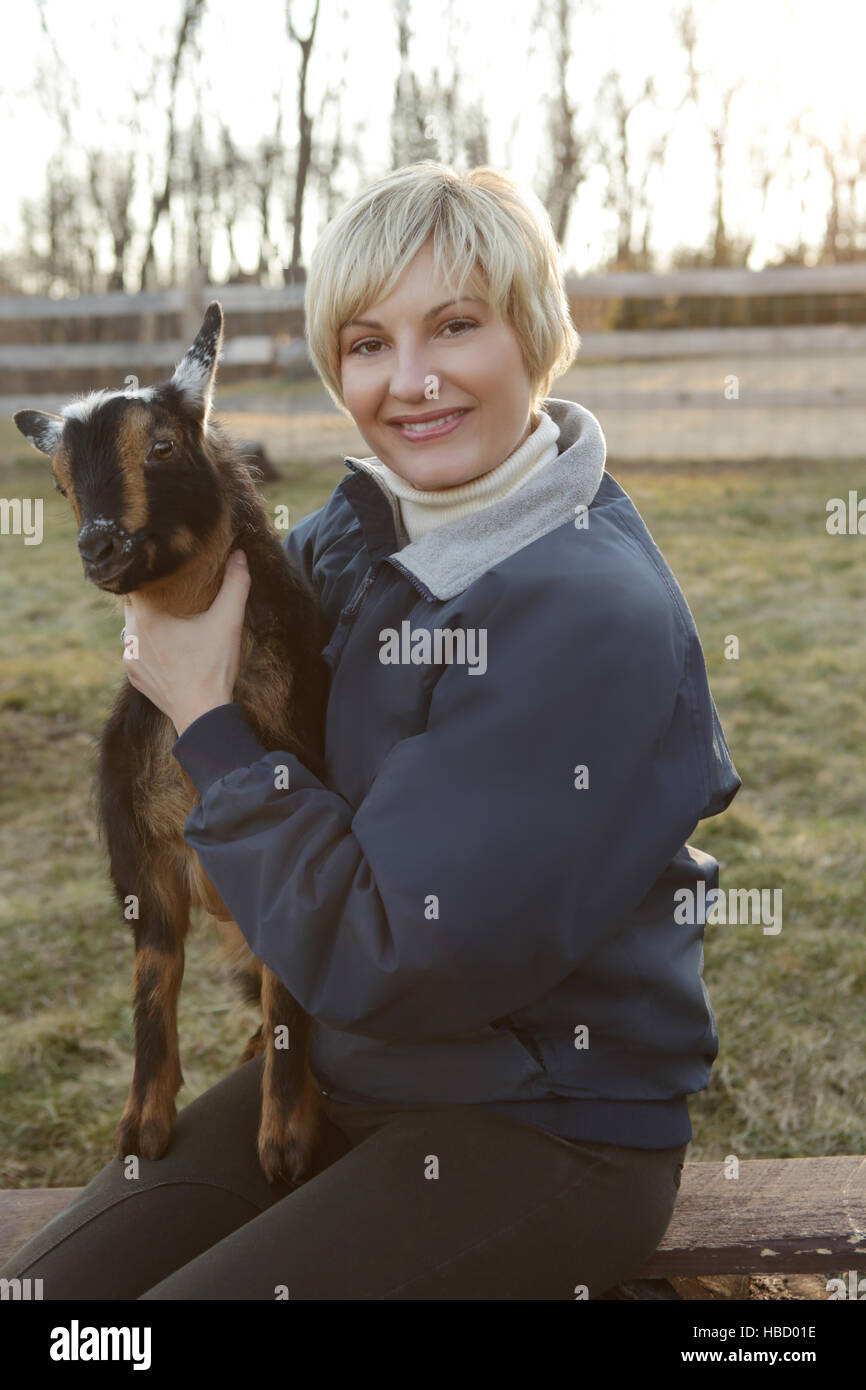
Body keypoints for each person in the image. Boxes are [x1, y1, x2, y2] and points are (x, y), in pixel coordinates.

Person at [0, 161, 740, 1300]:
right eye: (363, 342)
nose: (410, 381)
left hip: (539, 1116)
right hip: (339, 1061)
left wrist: (207, 720)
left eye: (455, 325)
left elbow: (396, 955)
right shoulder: (352, 539)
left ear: (536, 334)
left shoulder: (587, 616)